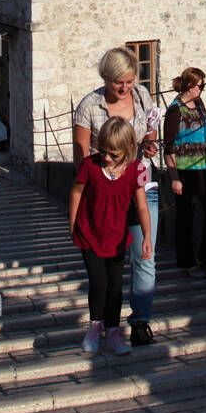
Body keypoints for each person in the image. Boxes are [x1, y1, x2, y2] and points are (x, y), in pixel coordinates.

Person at [73, 48, 160, 346]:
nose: (125, 89)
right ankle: (104, 325)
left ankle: (139, 322)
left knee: (145, 256)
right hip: (106, 194)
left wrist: (150, 145)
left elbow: (151, 132)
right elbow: (81, 159)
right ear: (106, 79)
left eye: (129, 81)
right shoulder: (89, 106)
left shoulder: (142, 96)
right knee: (108, 269)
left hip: (139, 184)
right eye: (118, 83)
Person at [70, 118, 152, 356]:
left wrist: (146, 236)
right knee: (99, 284)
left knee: (115, 287)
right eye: (104, 151)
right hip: (90, 234)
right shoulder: (90, 166)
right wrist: (72, 223)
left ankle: (114, 332)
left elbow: (142, 206)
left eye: (113, 154)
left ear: (128, 150)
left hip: (117, 236)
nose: (107, 158)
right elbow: (77, 191)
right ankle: (95, 327)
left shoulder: (136, 170)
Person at [163, 66, 206, 277]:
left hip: (205, 165)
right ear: (189, 86)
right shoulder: (175, 110)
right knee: (186, 215)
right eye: (200, 86)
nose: (202, 89)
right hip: (185, 170)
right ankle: (187, 262)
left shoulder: (199, 103)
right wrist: (174, 178)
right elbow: (168, 146)